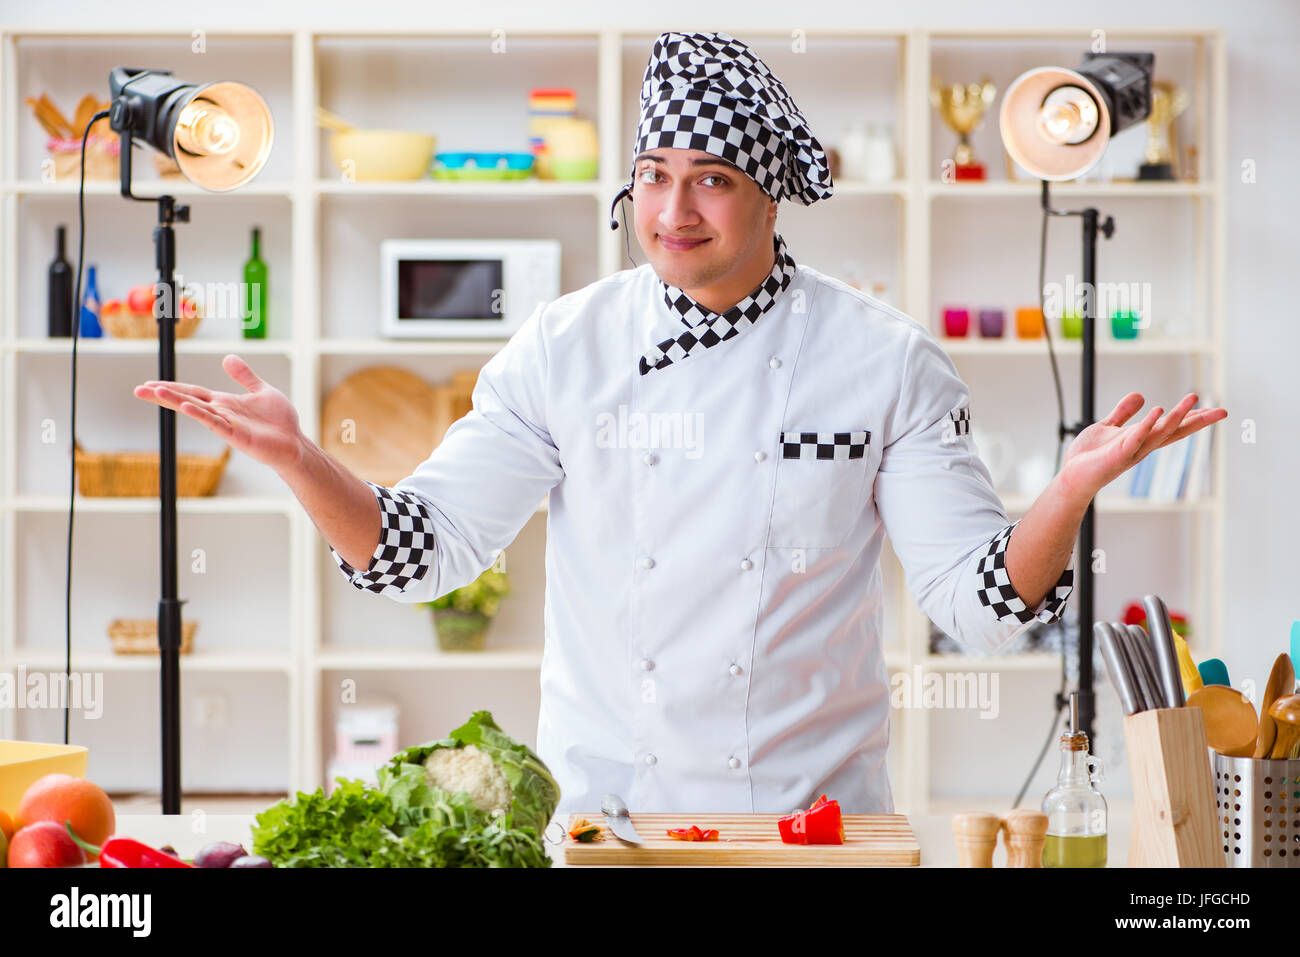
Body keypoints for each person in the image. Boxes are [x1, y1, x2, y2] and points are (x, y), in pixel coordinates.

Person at [134, 31, 1226, 815]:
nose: (673, 211)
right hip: (604, 813)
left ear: (769, 195)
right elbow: (420, 555)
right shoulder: (565, 348)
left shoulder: (881, 358)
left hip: (814, 819)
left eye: (710, 180)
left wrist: (1068, 491)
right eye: (654, 177)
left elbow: (980, 607)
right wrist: (298, 457)